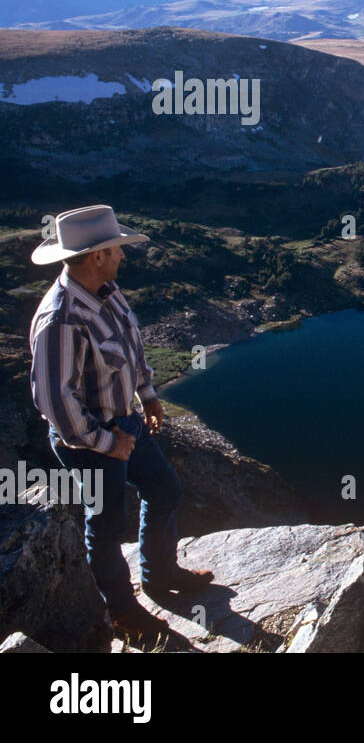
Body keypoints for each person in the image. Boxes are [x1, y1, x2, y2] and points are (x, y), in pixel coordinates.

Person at [28, 204, 214, 646]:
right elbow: (54, 401)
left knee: (165, 489)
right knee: (107, 526)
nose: (123, 256)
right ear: (96, 255)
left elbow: (131, 349)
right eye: (116, 249)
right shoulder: (61, 319)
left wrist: (147, 395)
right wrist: (105, 443)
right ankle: (122, 611)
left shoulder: (106, 291)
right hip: (88, 440)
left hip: (126, 422)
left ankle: (160, 574)